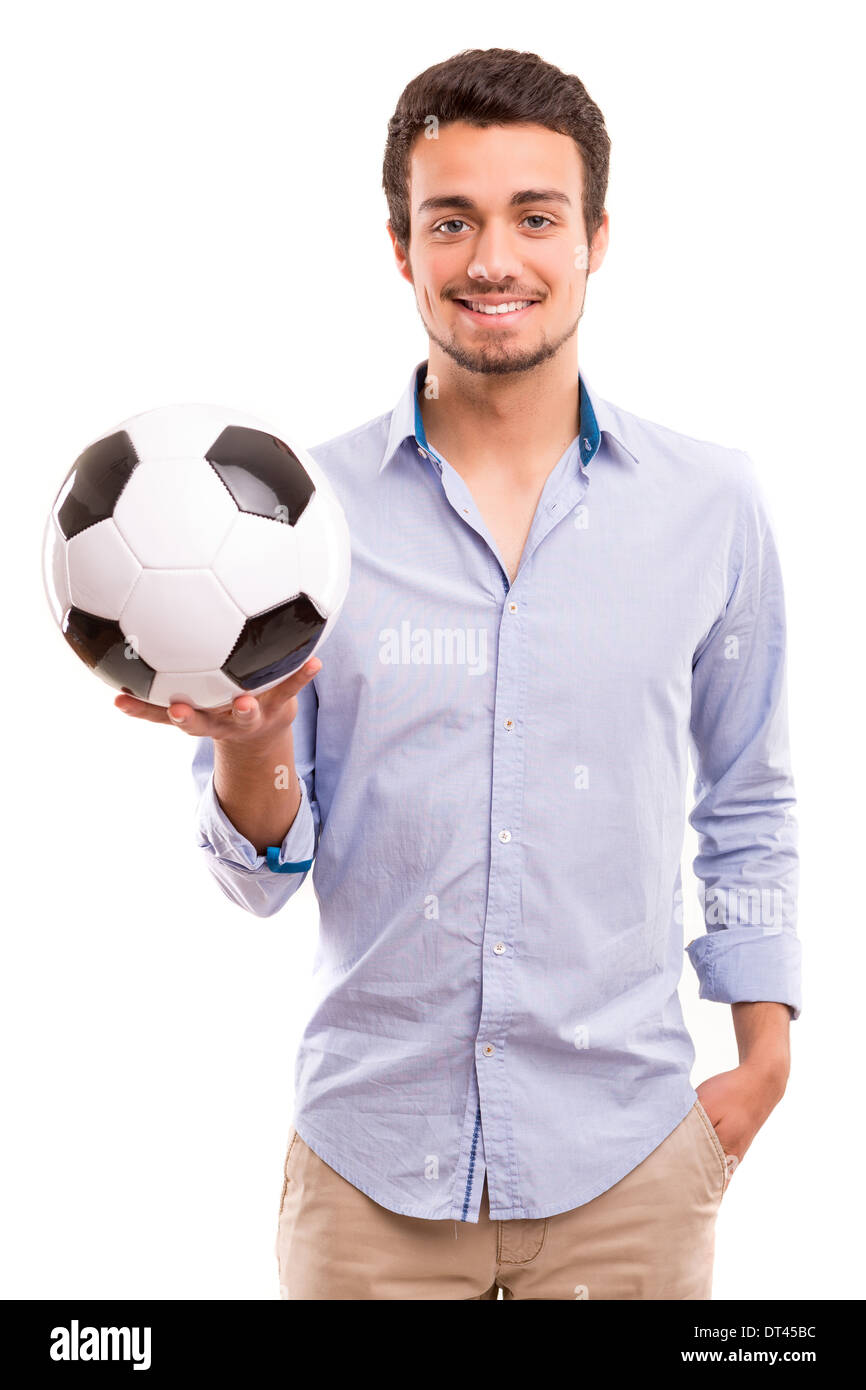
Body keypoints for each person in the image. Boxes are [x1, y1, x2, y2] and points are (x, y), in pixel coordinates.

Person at [116, 47, 801, 1301]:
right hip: (367, 1183)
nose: (493, 259)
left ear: (595, 237)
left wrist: (761, 1064)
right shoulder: (292, 522)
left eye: (534, 217)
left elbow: (747, 804)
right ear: (400, 248)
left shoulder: (712, 506)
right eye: (452, 220)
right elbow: (258, 882)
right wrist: (250, 739)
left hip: (629, 1176)